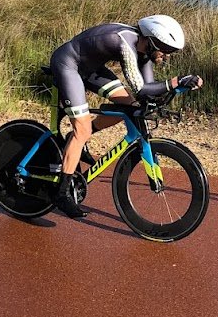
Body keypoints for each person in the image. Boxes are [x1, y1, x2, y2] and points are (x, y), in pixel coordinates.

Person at [48, 14, 203, 219]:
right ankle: (62, 193)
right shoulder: (125, 42)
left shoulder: (145, 51)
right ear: (152, 41)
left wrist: (179, 86)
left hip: (90, 68)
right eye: (166, 50)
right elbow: (140, 86)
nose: (167, 56)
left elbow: (145, 93)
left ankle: (74, 140)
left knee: (130, 107)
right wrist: (175, 81)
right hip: (68, 65)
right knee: (82, 129)